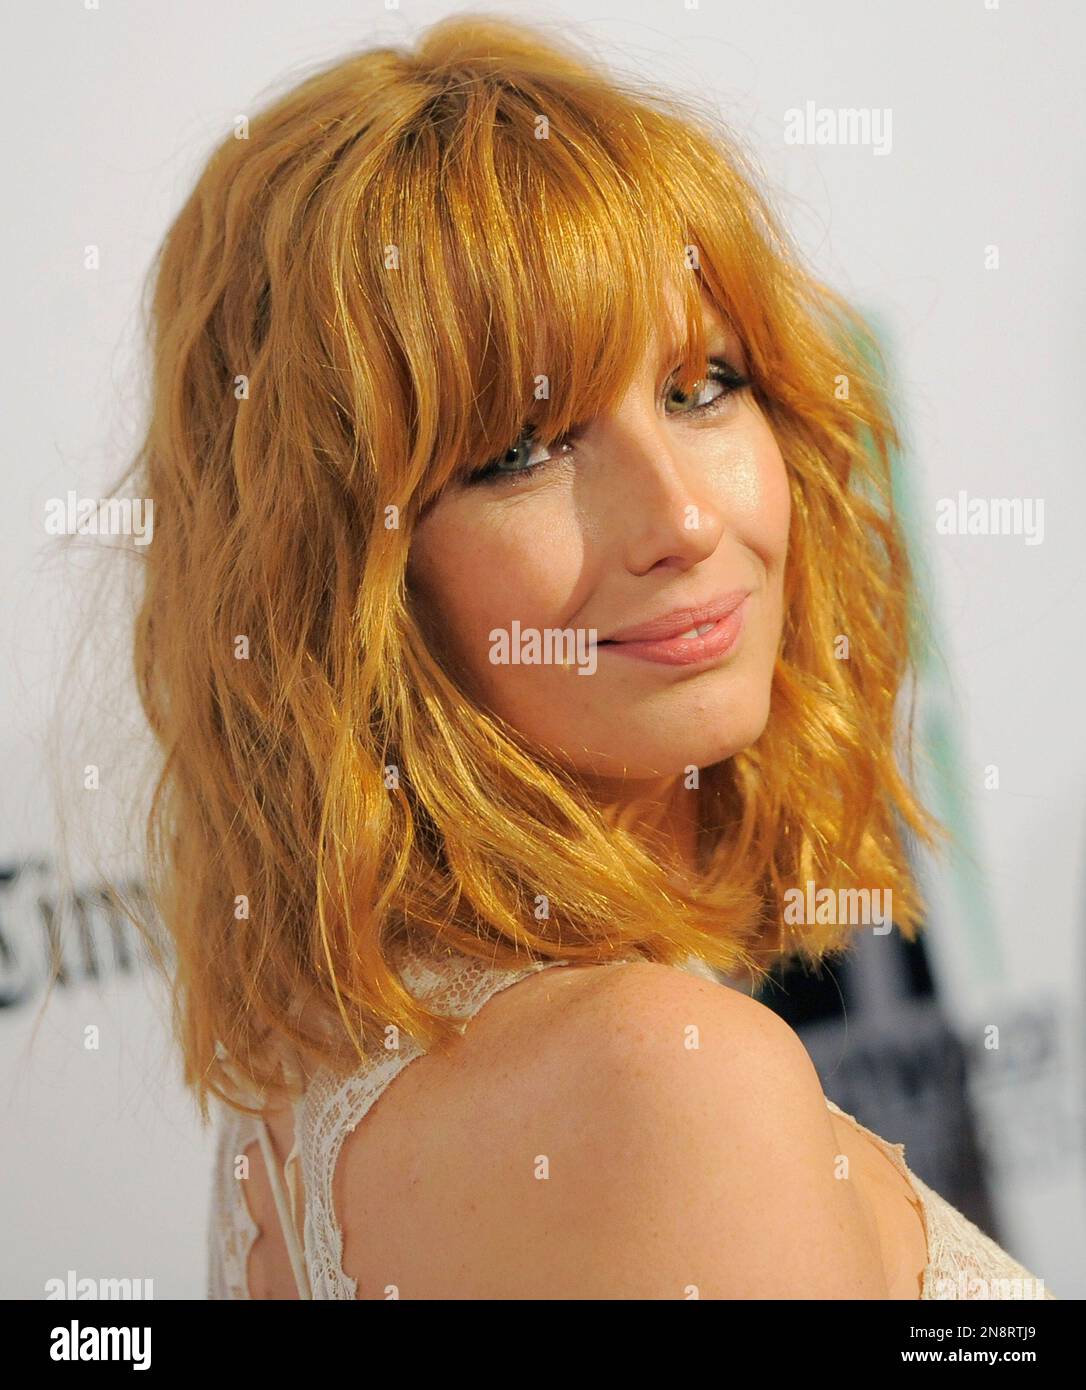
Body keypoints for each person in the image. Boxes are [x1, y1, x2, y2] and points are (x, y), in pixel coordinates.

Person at [121, 14, 1054, 1298]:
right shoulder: (662, 1079)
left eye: (700, 386)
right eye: (522, 447)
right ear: (343, 582)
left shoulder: (312, 1069)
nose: (680, 519)